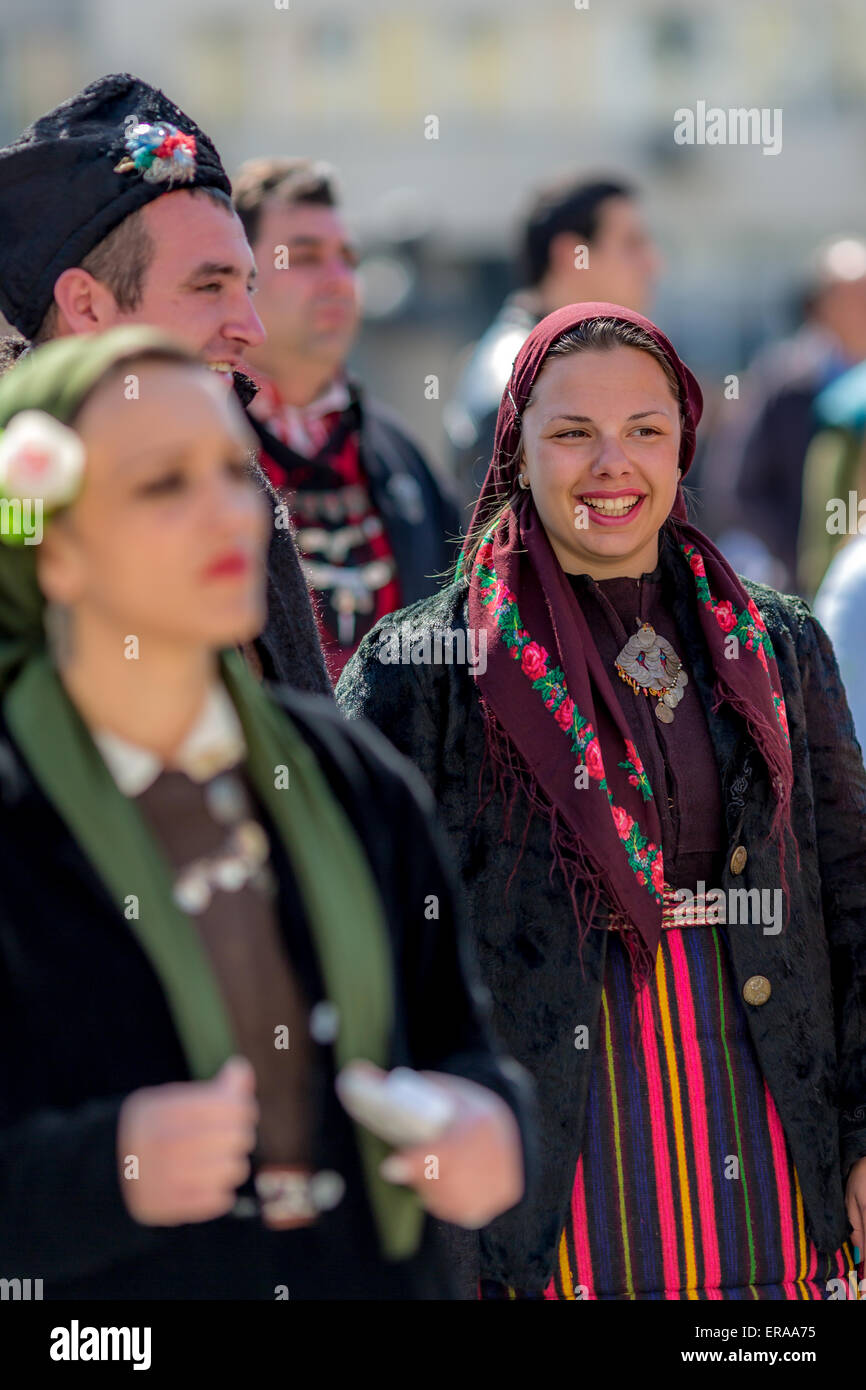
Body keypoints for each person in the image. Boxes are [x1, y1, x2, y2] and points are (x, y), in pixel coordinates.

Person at [337, 302, 866, 1299]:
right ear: (516, 447)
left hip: (763, 1134)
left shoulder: (777, 646)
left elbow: (851, 897)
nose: (610, 464)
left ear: (682, 446)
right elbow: (352, 936)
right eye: (571, 432)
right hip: (546, 1165)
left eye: (644, 431)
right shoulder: (425, 667)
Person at [0, 327, 531, 1300]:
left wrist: (486, 1128)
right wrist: (103, 1166)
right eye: (164, 484)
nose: (226, 515)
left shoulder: (341, 773)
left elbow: (460, 1045)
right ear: (56, 550)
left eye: (236, 474)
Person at [0, 72, 330, 694]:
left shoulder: (239, 480)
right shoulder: (14, 507)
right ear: (87, 305)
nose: (251, 329)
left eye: (248, 287)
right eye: (209, 286)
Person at [233, 157, 459, 683]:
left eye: (349, 259)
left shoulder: (400, 453)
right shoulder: (196, 440)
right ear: (239, 276)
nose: (338, 281)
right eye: (306, 257)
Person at [445, 176, 661, 511]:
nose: (652, 264)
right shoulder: (513, 380)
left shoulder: (546, 362)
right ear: (571, 255)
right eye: (631, 244)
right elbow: (506, 547)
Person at [703, 236, 866, 594]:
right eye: (854, 295)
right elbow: (736, 488)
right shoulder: (781, 380)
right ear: (820, 305)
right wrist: (802, 551)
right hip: (797, 579)